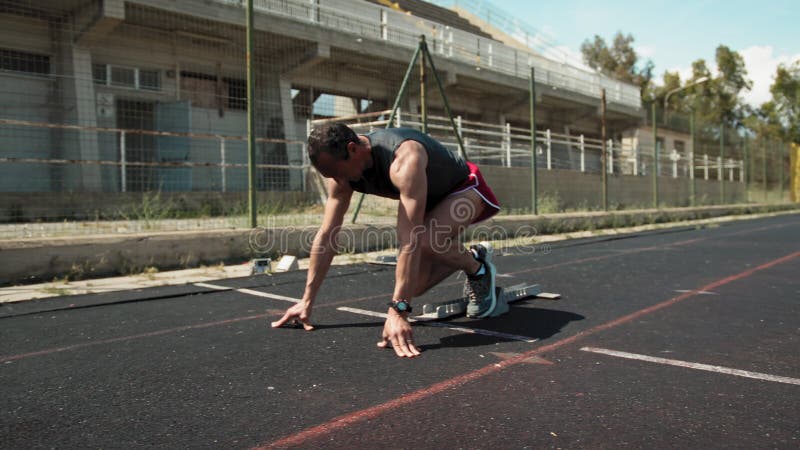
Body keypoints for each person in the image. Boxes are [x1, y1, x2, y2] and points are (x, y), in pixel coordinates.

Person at [271, 122, 501, 358]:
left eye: (338, 172)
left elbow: (409, 241)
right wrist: (307, 300)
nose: (338, 180)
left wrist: (399, 310)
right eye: (331, 176)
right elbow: (328, 234)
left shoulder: (404, 159)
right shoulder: (341, 174)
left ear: (353, 149)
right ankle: (473, 256)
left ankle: (478, 269)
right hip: (428, 199)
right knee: (417, 285)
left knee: (425, 241)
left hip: (463, 190)